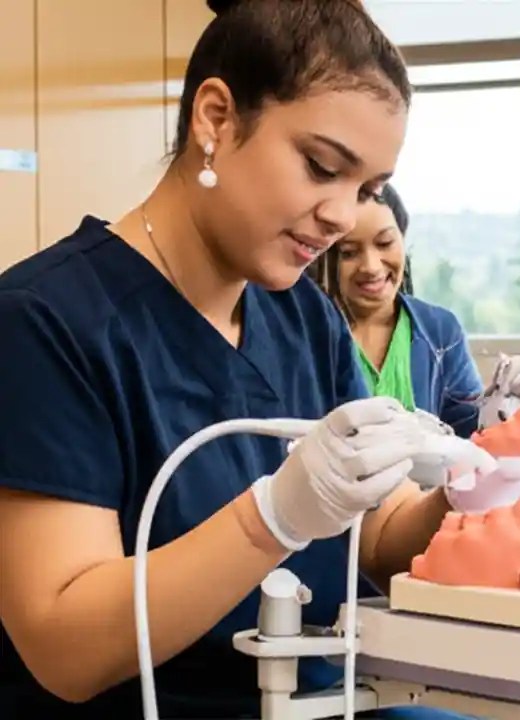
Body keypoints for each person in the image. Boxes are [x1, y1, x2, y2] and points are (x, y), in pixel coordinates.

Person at [0, 1, 479, 717]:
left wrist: (471, 490)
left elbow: (377, 533)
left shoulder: (303, 318)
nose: (343, 216)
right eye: (322, 167)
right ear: (216, 119)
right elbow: (64, 646)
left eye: (367, 191)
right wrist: (273, 518)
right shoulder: (46, 322)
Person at [308, 182, 520, 436]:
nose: (371, 267)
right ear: (322, 256)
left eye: (385, 243)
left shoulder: (440, 331)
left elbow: (471, 434)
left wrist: (501, 399)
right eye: (348, 253)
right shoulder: (305, 335)